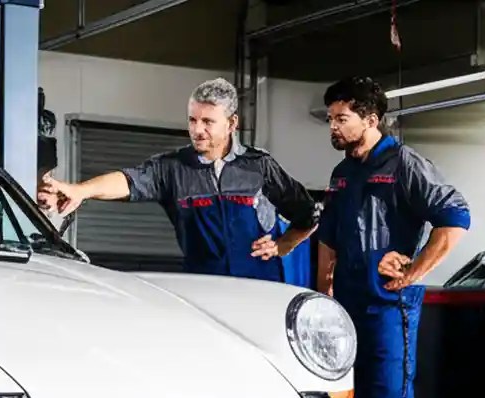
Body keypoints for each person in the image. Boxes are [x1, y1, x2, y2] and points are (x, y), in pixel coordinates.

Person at [312, 76, 470, 398]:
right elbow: (329, 237)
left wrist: (413, 271)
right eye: (331, 118)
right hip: (349, 308)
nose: (333, 126)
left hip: (388, 309)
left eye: (342, 118)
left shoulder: (405, 164)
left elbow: (456, 218)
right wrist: (322, 292)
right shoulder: (343, 172)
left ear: (371, 119)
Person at [39, 78, 317, 281]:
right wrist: (81, 190)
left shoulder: (259, 166)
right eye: (192, 120)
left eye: (207, 122)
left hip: (260, 288)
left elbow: (308, 215)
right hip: (202, 289)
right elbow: (128, 181)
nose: (197, 130)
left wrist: (283, 245)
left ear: (232, 124)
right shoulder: (173, 168)